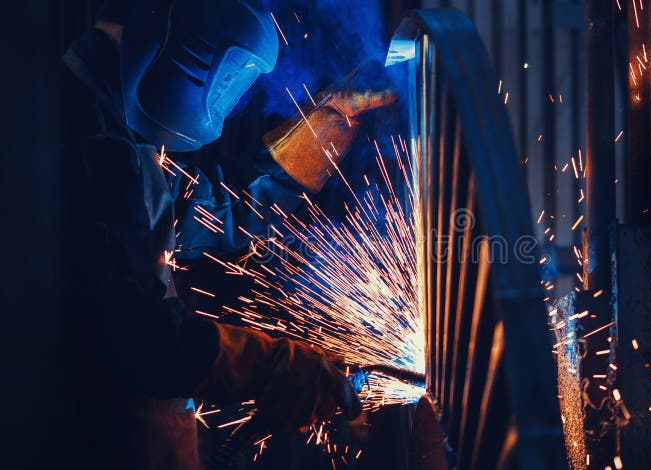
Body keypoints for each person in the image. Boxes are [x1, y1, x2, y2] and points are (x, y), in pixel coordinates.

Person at [52, 0, 396, 468]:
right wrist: (270, 364)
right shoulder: (83, 141)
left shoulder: (117, 125)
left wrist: (330, 121)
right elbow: (137, 339)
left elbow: (218, 212)